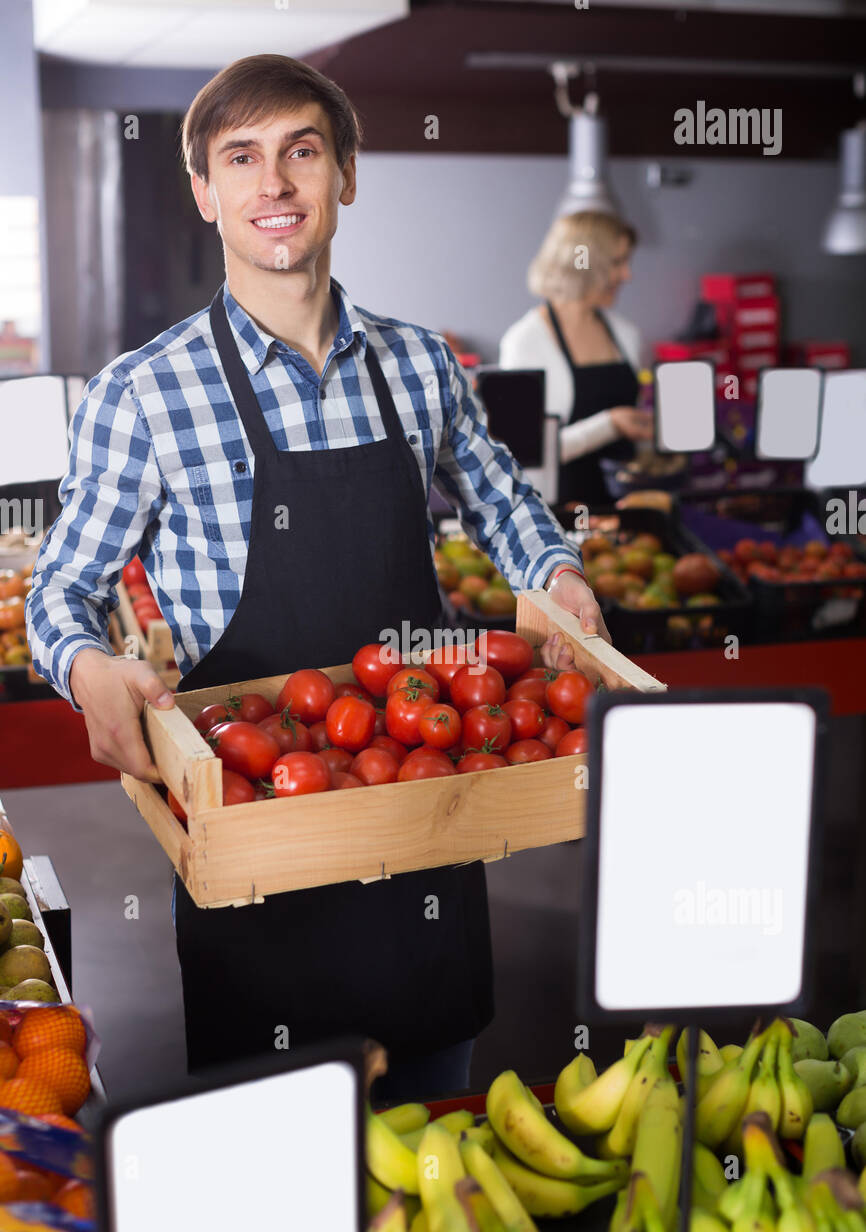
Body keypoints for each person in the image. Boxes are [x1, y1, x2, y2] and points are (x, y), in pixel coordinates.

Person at [26, 54, 607, 1104]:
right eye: (240, 159)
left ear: (346, 172)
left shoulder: (421, 364)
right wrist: (84, 669)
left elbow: (504, 506)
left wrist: (555, 574)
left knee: (441, 1127)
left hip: (421, 794)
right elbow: (56, 593)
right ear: (205, 193)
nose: (274, 185)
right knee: (279, 1150)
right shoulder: (143, 394)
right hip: (252, 819)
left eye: (301, 150)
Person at [499, 210, 653, 507]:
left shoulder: (626, 334)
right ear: (584, 264)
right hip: (559, 513)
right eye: (617, 263)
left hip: (627, 508)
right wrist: (611, 424)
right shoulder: (524, 343)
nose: (627, 275)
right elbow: (523, 453)